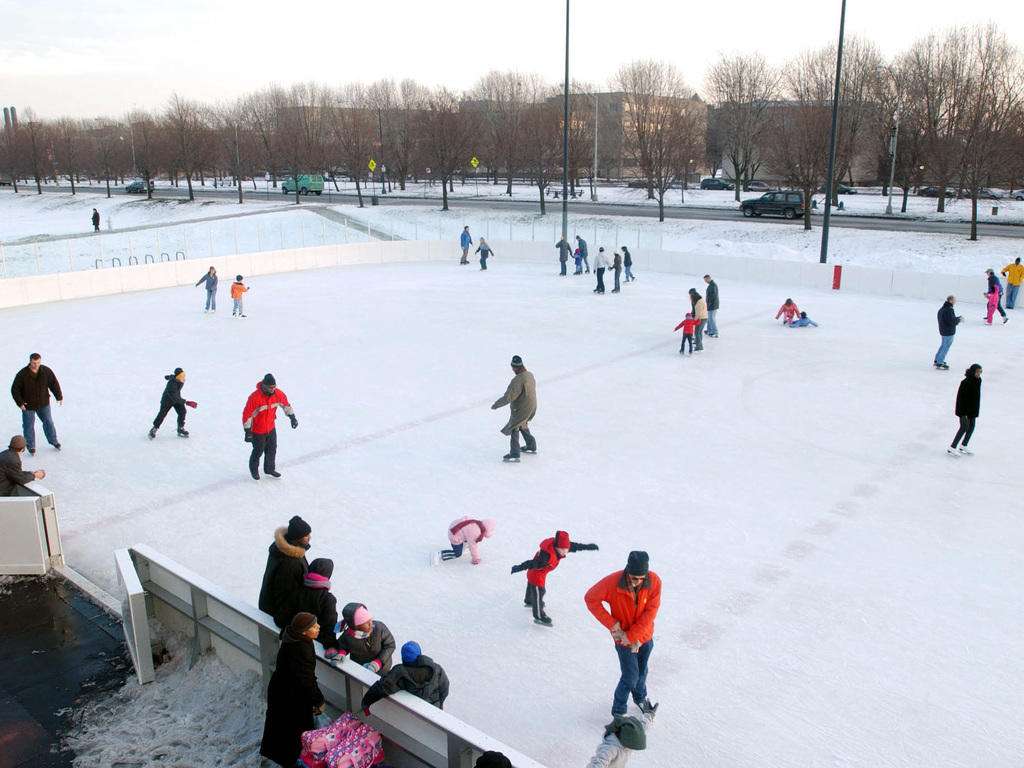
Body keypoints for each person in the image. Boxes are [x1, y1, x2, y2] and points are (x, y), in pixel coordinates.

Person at [585, 551, 662, 717]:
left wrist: (633, 637)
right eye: (634, 578)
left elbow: (650, 613)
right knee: (630, 676)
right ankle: (618, 712)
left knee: (642, 673)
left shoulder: (655, 581)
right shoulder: (613, 583)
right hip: (623, 640)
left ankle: (640, 698)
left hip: (644, 638)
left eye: (641, 578)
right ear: (627, 571)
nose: (637, 582)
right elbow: (590, 598)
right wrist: (612, 624)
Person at [259, 612, 325, 767]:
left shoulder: (291, 638)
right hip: (292, 697)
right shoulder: (302, 649)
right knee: (293, 731)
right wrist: (319, 700)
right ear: (304, 632)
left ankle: (278, 757)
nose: (318, 628)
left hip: (281, 691)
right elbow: (307, 679)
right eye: (314, 626)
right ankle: (291, 760)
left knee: (279, 727)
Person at [511, 530, 599, 626]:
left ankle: (529, 600)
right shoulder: (546, 557)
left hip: (540, 573)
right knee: (539, 592)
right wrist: (518, 567)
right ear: (557, 547)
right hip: (536, 574)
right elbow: (532, 563)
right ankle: (539, 616)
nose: (565, 551)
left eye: (567, 549)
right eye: (563, 549)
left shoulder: (561, 547)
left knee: (532, 587)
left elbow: (575, 546)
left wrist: (588, 547)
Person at [361, 641, 449, 713]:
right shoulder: (437, 669)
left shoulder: (399, 672)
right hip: (433, 709)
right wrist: (440, 704)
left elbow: (381, 688)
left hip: (412, 713)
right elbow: (445, 687)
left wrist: (366, 702)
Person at [258, 515, 312, 626]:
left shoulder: (285, 550)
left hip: (269, 607)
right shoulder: (290, 563)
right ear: (297, 538)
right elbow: (285, 595)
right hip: (277, 616)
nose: (309, 537)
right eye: (306, 535)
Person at [242, 373, 297, 480]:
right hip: (257, 430)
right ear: (264, 385)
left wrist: (292, 417)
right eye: (270, 387)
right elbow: (247, 414)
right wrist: (248, 431)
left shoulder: (278, 394)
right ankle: (254, 470)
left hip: (270, 427)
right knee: (258, 450)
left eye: (274, 387)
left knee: (272, 449)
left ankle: (269, 469)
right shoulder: (255, 398)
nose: (272, 389)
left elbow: (286, 405)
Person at [11, 353, 62, 455]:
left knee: (48, 422)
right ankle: (31, 446)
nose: (36, 365)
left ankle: (54, 441)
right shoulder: (22, 374)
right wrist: (20, 403)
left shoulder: (46, 371)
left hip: (43, 403)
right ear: (30, 362)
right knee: (28, 426)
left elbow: (54, 384)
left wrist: (59, 396)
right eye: (34, 363)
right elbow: (15, 390)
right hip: (28, 406)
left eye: (38, 363)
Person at [287, 558, 339, 653]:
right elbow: (329, 627)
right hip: (312, 648)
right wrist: (331, 646)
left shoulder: (297, 592)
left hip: (292, 641)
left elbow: (282, 617)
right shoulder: (328, 599)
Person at [490, 355, 536, 463]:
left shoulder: (517, 381)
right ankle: (531, 445)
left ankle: (514, 454)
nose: (512, 370)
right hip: (531, 405)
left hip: (521, 408)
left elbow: (508, 397)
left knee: (514, 426)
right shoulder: (530, 375)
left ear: (516, 367)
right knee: (522, 423)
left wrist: (496, 405)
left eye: (513, 368)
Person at [329, 602, 396, 674]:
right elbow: (343, 646)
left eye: (370, 619)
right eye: (366, 622)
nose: (370, 624)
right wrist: (341, 653)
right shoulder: (348, 635)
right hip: (360, 668)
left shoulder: (379, 628)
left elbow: (390, 644)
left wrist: (378, 662)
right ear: (356, 626)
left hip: (382, 668)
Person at [585, 711, 655, 768]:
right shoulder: (610, 748)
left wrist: (648, 715)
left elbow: (641, 727)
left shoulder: (631, 734)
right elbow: (599, 762)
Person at [148, 367, 195, 439]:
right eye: (182, 377)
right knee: (162, 414)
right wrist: (187, 402)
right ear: (178, 377)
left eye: (184, 376)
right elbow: (175, 397)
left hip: (176, 399)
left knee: (182, 412)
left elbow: (172, 376)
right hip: (167, 400)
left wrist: (168, 377)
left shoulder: (177, 379)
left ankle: (180, 428)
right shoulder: (172, 385)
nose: (184, 378)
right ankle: (154, 429)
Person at [948, 363, 982, 457]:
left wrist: (974, 410)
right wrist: (965, 413)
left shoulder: (978, 380)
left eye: (980, 372)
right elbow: (962, 398)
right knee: (964, 427)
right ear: (973, 372)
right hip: (963, 409)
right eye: (977, 372)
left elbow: (976, 397)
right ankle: (952, 447)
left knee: (971, 426)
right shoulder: (966, 382)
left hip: (972, 409)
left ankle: (964, 445)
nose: (979, 374)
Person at [934, 296, 963, 370]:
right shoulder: (949, 310)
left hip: (943, 330)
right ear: (950, 300)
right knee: (945, 347)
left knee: (943, 345)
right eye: (954, 300)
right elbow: (951, 321)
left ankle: (937, 359)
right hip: (948, 331)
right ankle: (940, 362)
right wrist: (959, 319)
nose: (955, 301)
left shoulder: (942, 309)